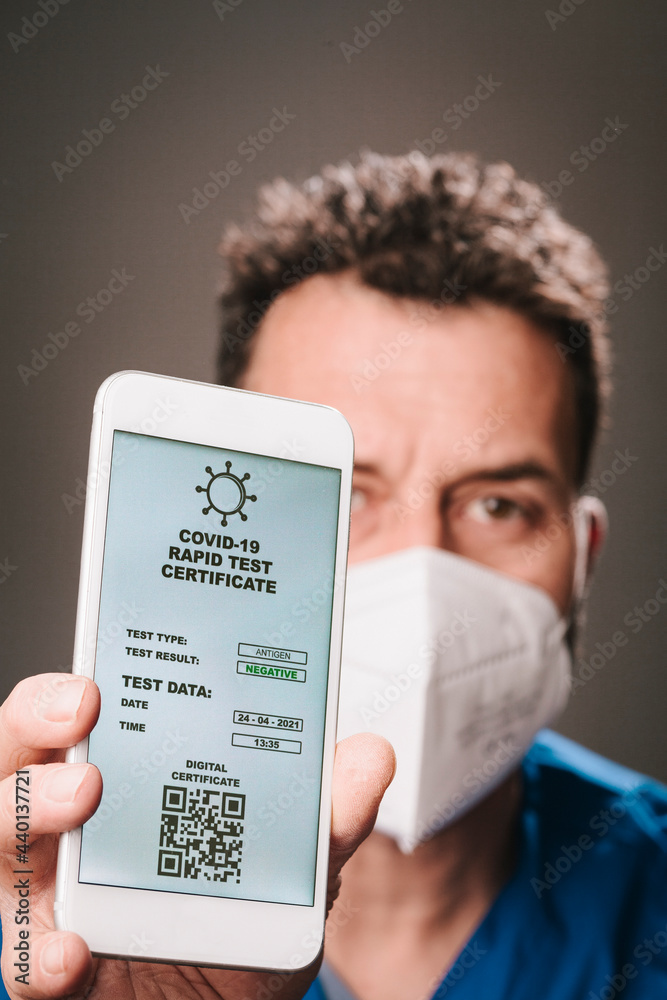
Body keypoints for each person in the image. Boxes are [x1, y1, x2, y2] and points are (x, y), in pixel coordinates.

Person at [1, 151, 666, 999]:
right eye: (345, 495)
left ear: (582, 558)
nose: (423, 574)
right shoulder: (44, 927)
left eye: (497, 505)